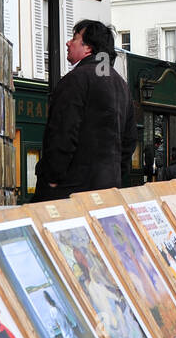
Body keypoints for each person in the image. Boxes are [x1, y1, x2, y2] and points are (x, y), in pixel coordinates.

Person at [33, 21, 136, 202]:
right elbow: (129, 141)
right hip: (109, 189)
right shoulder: (121, 84)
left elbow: (63, 133)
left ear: (88, 47)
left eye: (74, 38)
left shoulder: (76, 80)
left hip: (71, 190)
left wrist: (52, 177)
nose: (68, 43)